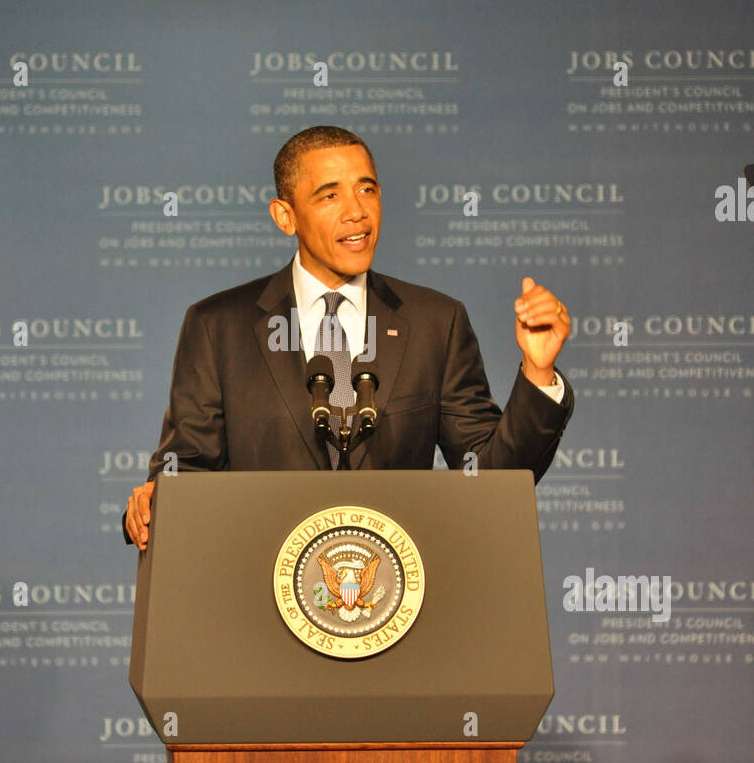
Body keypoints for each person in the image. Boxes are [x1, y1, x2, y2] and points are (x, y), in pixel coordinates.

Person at [123, 126, 574, 549]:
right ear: (285, 216)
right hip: (259, 585)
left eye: (367, 189)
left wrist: (538, 372)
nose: (357, 211)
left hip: (397, 587)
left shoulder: (435, 322)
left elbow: (490, 476)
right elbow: (187, 470)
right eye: (329, 195)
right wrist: (156, 500)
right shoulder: (218, 326)